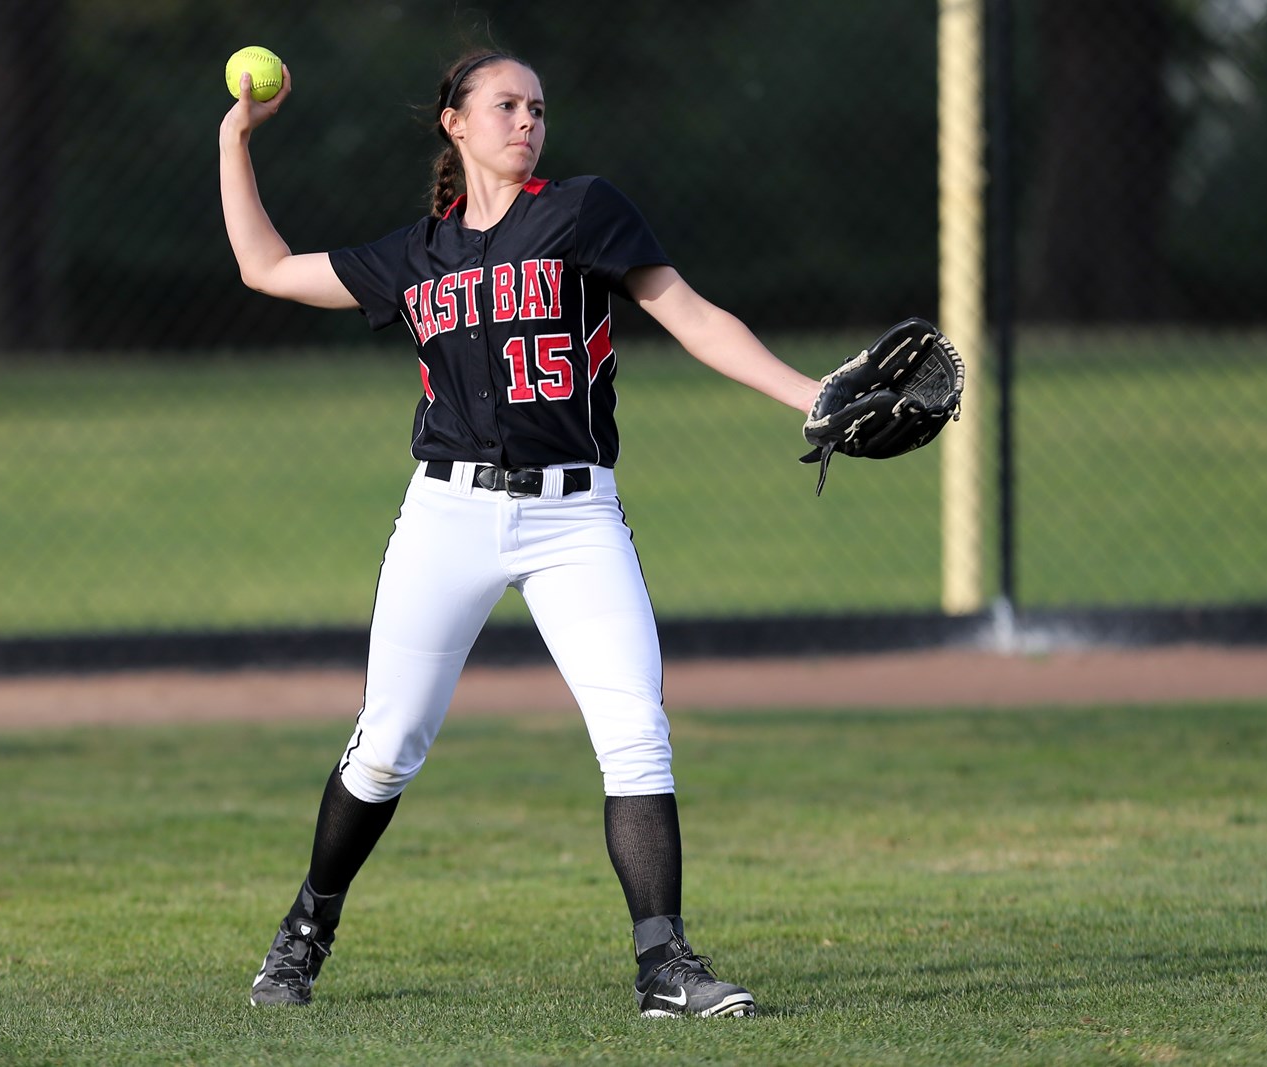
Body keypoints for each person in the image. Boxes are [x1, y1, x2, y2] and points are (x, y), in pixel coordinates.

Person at [219, 48, 821, 1019]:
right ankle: (306, 926)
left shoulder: (580, 211)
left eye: (537, 107)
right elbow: (264, 267)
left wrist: (810, 395)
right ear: (454, 122)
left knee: (634, 731)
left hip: (573, 512)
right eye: (505, 104)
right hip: (446, 512)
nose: (526, 120)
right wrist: (234, 137)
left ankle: (663, 965)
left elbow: (693, 317)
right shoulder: (416, 253)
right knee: (386, 745)